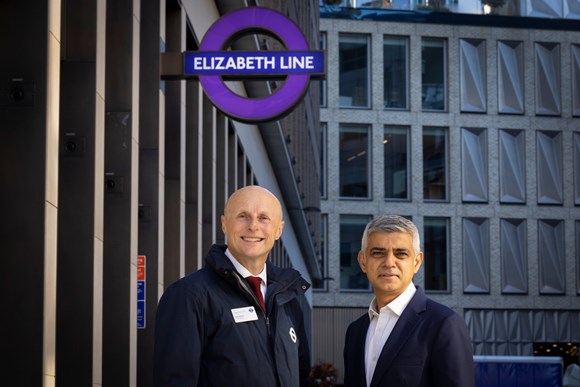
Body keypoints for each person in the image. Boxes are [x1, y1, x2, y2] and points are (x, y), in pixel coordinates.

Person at [153, 185, 312, 386]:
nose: (253, 226)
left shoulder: (288, 299)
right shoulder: (189, 296)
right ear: (224, 224)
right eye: (243, 216)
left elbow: (302, 375)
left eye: (263, 218)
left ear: (278, 230)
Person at [343, 215, 475, 387]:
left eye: (401, 254)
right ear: (362, 261)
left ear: (417, 262)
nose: (389, 262)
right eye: (378, 253)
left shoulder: (444, 324)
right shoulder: (355, 331)